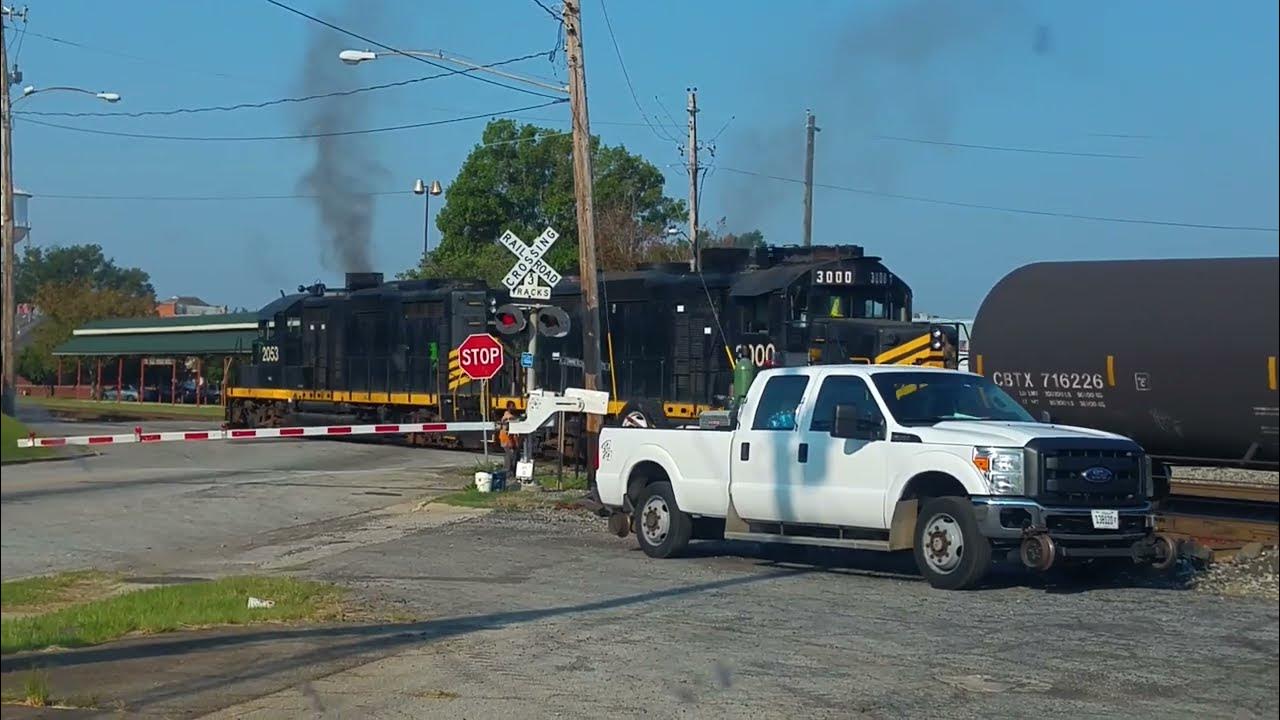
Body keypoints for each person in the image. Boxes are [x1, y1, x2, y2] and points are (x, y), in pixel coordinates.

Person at [499, 401, 520, 478]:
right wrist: (511, 442)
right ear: (508, 407)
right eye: (512, 406)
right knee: (510, 457)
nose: (514, 408)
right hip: (507, 440)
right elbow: (508, 431)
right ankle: (508, 473)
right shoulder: (508, 417)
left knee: (514, 457)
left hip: (511, 440)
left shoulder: (510, 416)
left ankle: (512, 473)